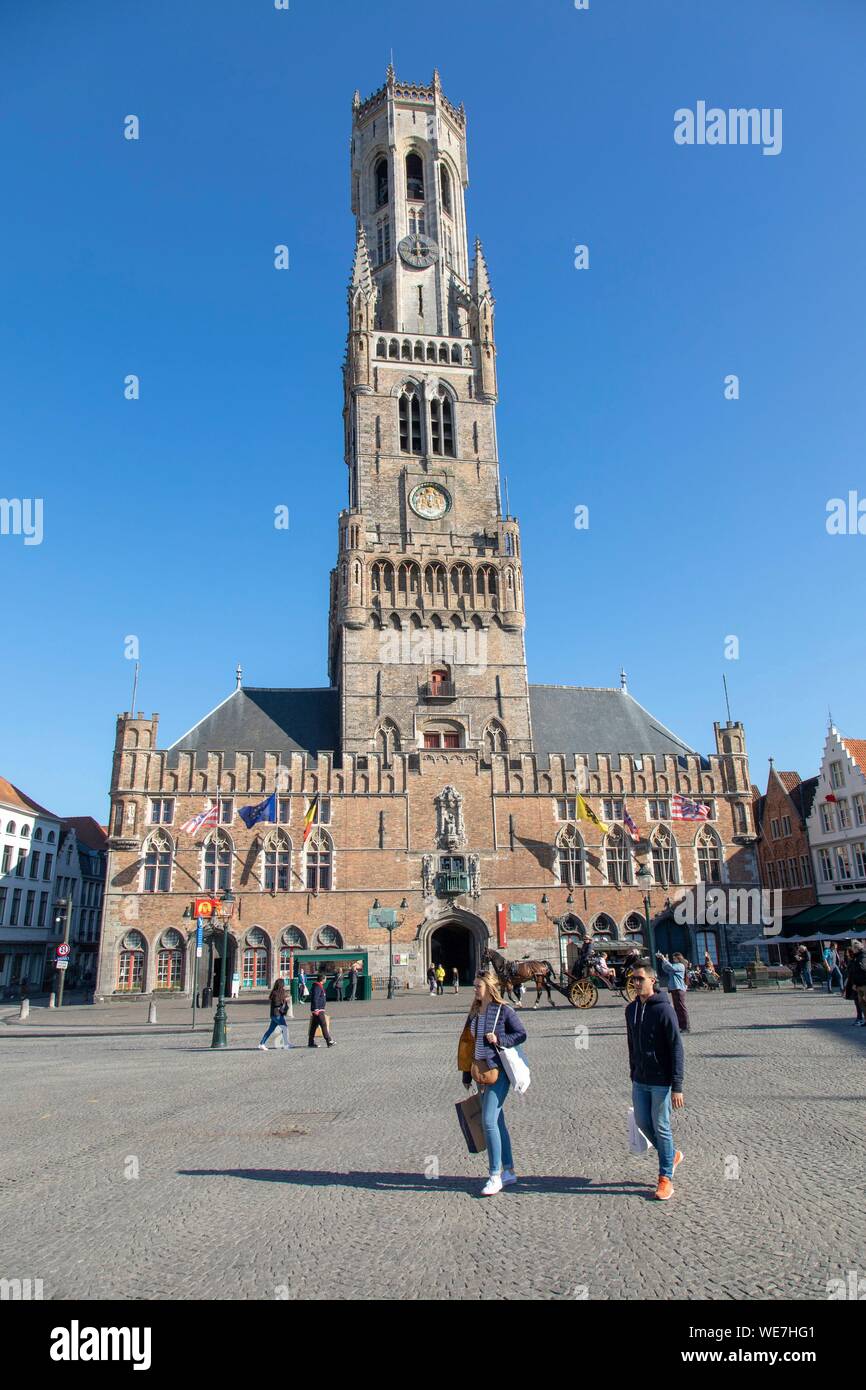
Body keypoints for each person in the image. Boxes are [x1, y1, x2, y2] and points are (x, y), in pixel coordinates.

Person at [460, 968, 527, 1196]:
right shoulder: (476, 1012)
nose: (474, 990)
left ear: (489, 987)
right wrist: (467, 1074)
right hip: (481, 1072)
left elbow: (521, 1034)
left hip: (498, 1072)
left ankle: (494, 1175)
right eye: (474, 986)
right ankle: (509, 1171)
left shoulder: (504, 1010)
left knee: (488, 1121)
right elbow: (468, 1045)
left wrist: (500, 1039)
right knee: (497, 1122)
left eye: (477, 986)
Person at [625, 963, 685, 1201]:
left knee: (661, 1126)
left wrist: (677, 1086)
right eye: (634, 979)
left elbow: (676, 1048)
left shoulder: (664, 1010)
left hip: (661, 1080)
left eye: (640, 978)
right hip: (640, 1079)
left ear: (652, 980)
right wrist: (633, 1071)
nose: (636, 983)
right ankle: (671, 1155)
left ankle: (665, 1178)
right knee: (642, 1122)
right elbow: (631, 1043)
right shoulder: (630, 1010)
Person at [656, 951, 690, 1033]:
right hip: (674, 988)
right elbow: (666, 969)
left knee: (681, 1008)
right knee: (677, 1008)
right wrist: (663, 961)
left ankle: (686, 1026)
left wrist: (664, 959)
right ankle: (680, 1026)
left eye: (674, 958)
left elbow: (671, 967)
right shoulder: (675, 965)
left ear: (678, 958)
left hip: (679, 988)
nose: (673, 959)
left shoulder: (681, 965)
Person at [258, 979, 291, 1052]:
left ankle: (261, 1043)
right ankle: (286, 1044)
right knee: (284, 1028)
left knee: (270, 1030)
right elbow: (276, 1003)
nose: (284, 986)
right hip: (277, 1014)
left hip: (275, 1014)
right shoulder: (276, 993)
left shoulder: (277, 992)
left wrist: (284, 999)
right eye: (283, 984)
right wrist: (284, 1001)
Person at [308, 972, 334, 1047]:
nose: (326, 979)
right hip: (318, 1010)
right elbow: (315, 998)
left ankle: (310, 1042)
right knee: (323, 1025)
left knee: (313, 1027)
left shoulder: (319, 986)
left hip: (319, 1009)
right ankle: (329, 1041)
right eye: (325, 978)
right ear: (322, 979)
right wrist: (316, 1009)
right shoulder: (317, 987)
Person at [845, 942, 866, 1026]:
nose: (852, 950)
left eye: (853, 948)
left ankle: (860, 1018)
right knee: (861, 1003)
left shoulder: (863, 956)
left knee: (863, 1002)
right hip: (858, 984)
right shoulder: (856, 957)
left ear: (857, 949)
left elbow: (862, 970)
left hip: (864, 984)